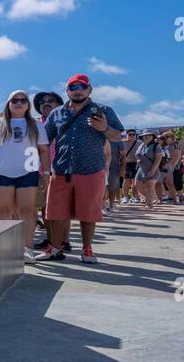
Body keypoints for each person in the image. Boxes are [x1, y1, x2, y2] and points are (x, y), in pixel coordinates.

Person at [34, 74, 124, 265]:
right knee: (55, 213)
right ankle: (55, 249)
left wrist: (105, 128)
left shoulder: (103, 110)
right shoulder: (56, 113)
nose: (77, 90)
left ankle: (87, 249)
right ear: (67, 91)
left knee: (88, 213)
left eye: (81, 86)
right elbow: (44, 141)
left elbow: (117, 137)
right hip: (61, 169)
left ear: (89, 89)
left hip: (91, 169)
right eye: (72, 87)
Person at [0, 90, 49, 256]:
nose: (19, 103)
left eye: (23, 100)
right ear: (8, 103)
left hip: (28, 172)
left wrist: (46, 173)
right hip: (1, 172)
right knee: (4, 211)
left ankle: (27, 248)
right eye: (15, 100)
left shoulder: (36, 125)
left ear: (28, 105)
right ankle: (5, 249)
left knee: (28, 211)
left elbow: (44, 150)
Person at [32, 91, 66, 249]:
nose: (45, 103)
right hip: (38, 172)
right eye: (42, 102)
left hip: (61, 171)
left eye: (51, 100)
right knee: (44, 209)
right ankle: (51, 240)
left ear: (59, 105)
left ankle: (63, 242)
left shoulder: (66, 122)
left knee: (60, 209)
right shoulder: (34, 124)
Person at [133, 130, 163, 208]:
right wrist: (138, 160)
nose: (146, 136)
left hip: (153, 168)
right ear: (142, 137)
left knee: (149, 186)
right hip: (141, 169)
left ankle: (149, 204)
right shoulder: (141, 145)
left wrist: (152, 170)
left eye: (149, 135)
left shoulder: (156, 146)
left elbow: (158, 159)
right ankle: (150, 199)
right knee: (137, 185)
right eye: (144, 135)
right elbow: (137, 155)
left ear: (153, 136)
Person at [120, 129, 140, 203]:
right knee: (126, 181)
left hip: (136, 164)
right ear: (126, 135)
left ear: (136, 135)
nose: (132, 136)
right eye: (130, 134)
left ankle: (134, 197)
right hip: (126, 163)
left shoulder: (139, 143)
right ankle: (125, 197)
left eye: (133, 134)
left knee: (135, 181)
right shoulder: (122, 142)